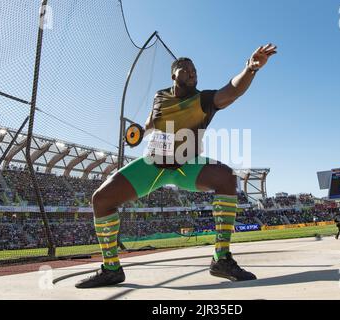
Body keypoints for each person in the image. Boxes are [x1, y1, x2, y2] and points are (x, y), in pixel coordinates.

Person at [75, 44, 277, 288]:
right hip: (153, 164)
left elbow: (231, 91)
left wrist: (250, 69)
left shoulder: (203, 99)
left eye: (195, 70)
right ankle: (111, 269)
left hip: (186, 165)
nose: (193, 73)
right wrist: (140, 131)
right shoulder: (160, 96)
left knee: (226, 177)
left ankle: (221, 258)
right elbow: (151, 121)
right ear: (174, 75)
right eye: (186, 69)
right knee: (101, 199)